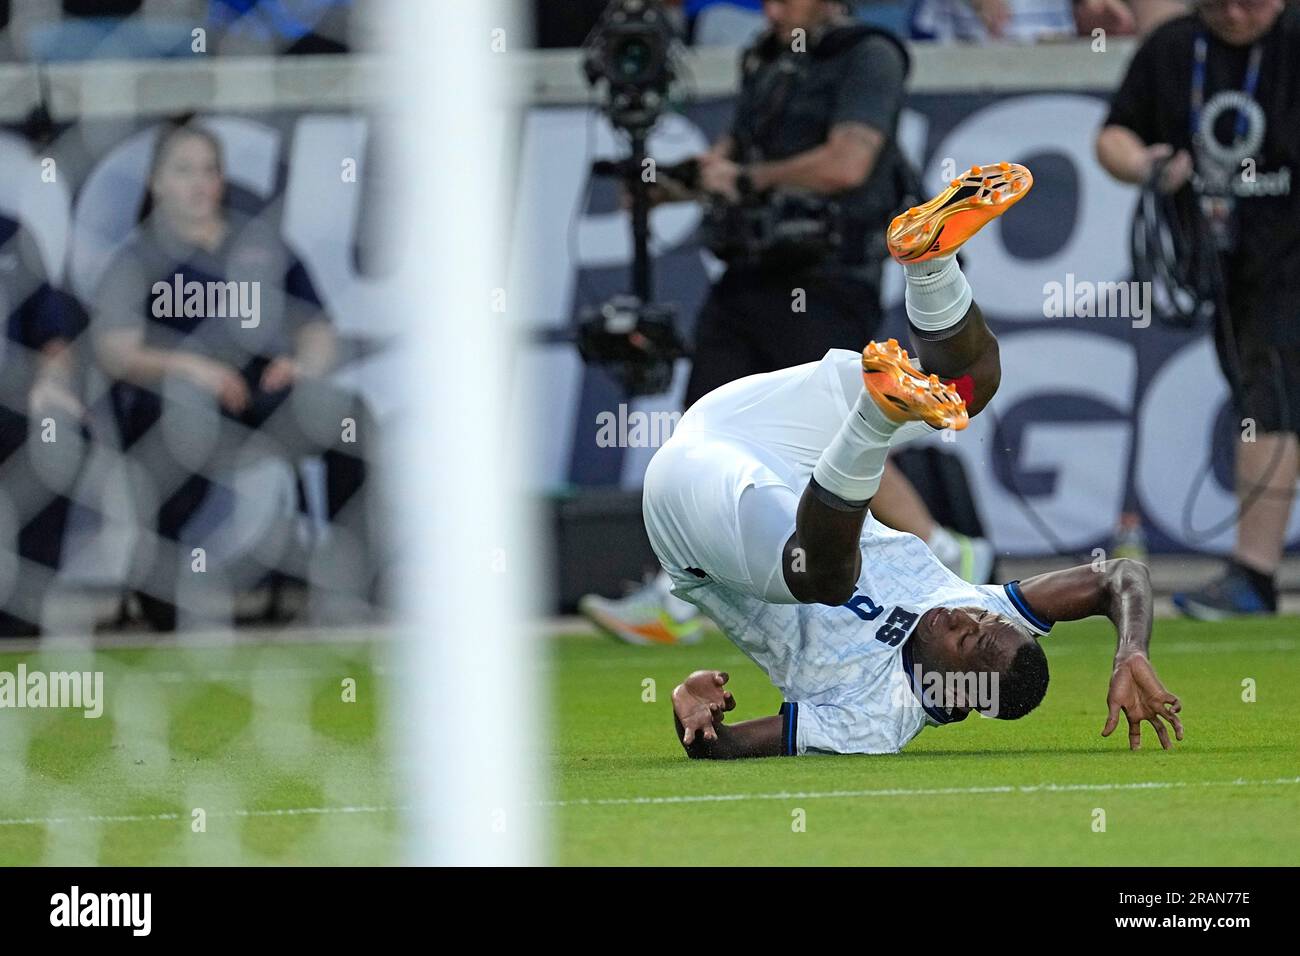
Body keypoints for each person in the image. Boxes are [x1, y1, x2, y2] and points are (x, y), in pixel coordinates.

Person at [646, 162, 1184, 757]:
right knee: (966, 385)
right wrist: (1132, 649)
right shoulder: (979, 613)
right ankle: (928, 261)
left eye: (973, 643)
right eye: (987, 624)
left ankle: (879, 415)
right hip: (760, 432)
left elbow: (716, 746)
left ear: (958, 695)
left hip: (692, 507)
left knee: (825, 577)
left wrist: (688, 702)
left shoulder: (875, 721)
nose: (967, 619)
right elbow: (1119, 576)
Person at [579, 0, 993, 645]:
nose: (773, 8)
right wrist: (673, 184)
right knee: (702, 429)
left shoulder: (868, 54)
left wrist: (745, 178)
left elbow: (847, 163)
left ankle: (942, 551)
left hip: (826, 272)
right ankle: (678, 594)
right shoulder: (764, 58)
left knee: (828, 431)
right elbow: (732, 159)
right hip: (750, 268)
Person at [91, 116, 378, 631]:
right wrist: (189, 367)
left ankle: (350, 579)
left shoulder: (259, 245)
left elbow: (319, 329)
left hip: (260, 395)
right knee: (175, 411)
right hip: (177, 402)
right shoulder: (137, 257)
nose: (199, 183)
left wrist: (301, 363)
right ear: (157, 181)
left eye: (209, 170)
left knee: (351, 415)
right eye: (184, 171)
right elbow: (116, 350)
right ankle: (167, 588)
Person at [1096, 0, 1300, 618]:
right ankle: (1254, 578)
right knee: (1261, 397)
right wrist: (1147, 165)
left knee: (1270, 397)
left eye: (1251, 1)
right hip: (1227, 263)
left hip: (1291, 256)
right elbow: (1113, 134)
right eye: (1220, 2)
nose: (1235, 14)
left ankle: (1255, 574)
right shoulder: (1176, 46)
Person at [0, 215, 87, 637]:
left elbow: (51, 338)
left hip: (11, 401)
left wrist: (50, 383)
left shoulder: (11, 236)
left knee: (56, 430)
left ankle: (21, 623)